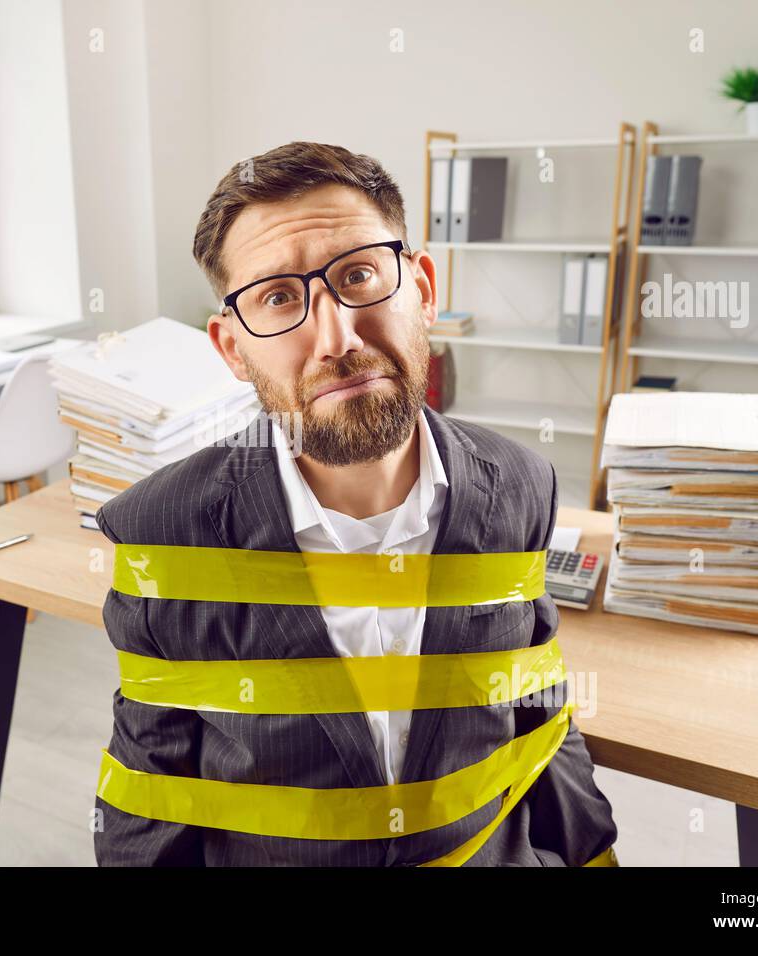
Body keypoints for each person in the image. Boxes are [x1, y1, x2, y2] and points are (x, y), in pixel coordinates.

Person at [92, 141, 618, 866]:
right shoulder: (163, 532)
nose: (336, 338)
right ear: (232, 349)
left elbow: (542, 718)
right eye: (278, 297)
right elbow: (150, 794)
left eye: (360, 274)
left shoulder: (522, 486)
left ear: (423, 288)